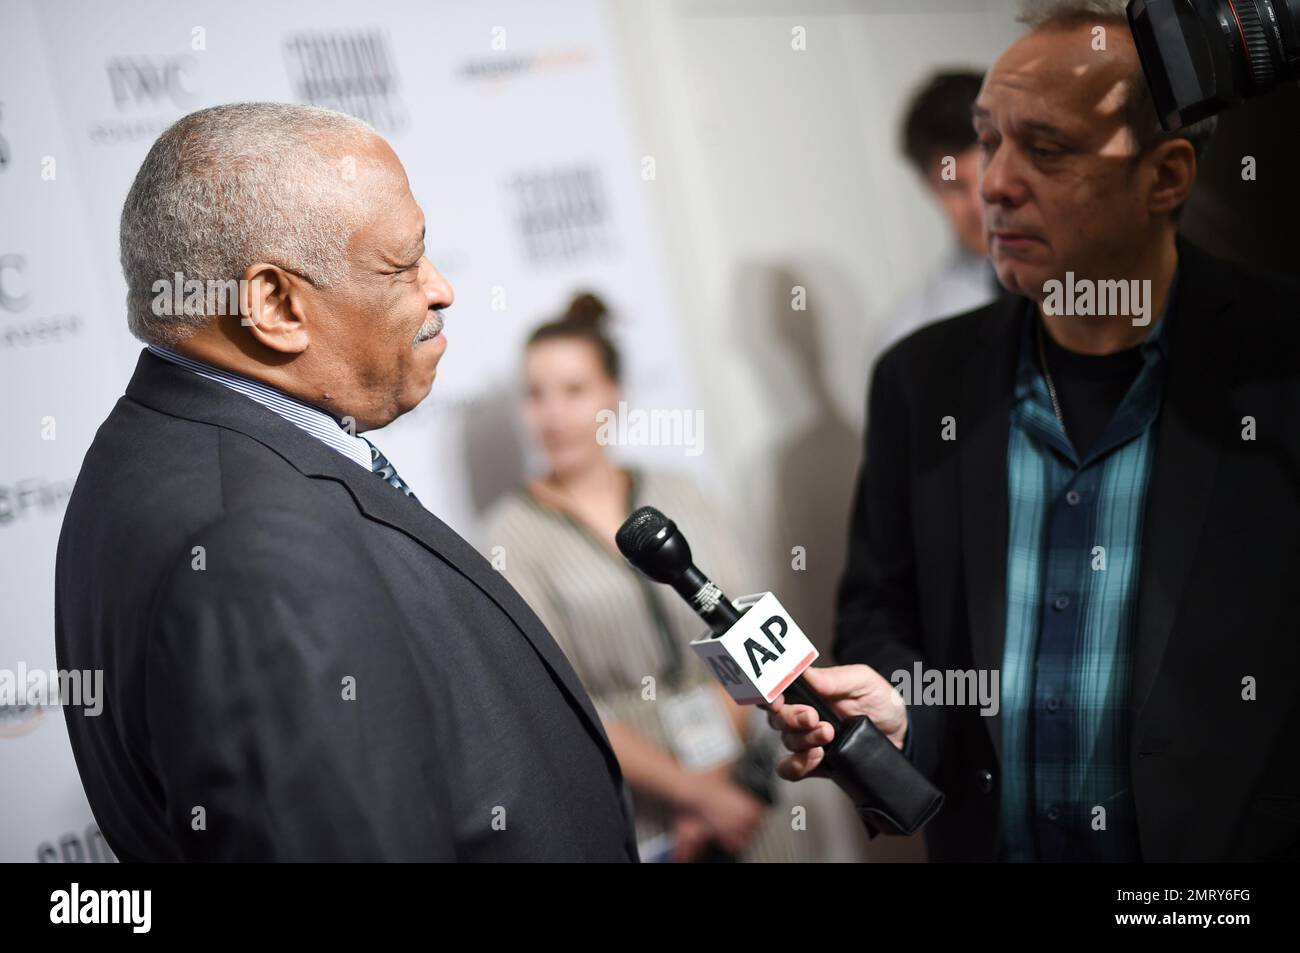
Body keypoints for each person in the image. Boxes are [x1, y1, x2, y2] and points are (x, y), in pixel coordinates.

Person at [768, 0, 1299, 862]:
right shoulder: (919, 379)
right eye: (988, 139)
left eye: (1045, 149)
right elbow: (883, 609)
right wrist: (903, 708)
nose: (994, 182)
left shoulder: (1275, 367)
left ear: (1165, 177)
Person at [54, 103, 637, 861]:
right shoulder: (252, 550)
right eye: (403, 264)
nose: (441, 288)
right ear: (274, 305)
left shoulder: (147, 447)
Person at [483, 293, 805, 862]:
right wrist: (693, 796)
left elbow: (748, 626)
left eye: (574, 391)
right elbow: (561, 699)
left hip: (741, 788)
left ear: (616, 394)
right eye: (535, 395)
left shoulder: (680, 493)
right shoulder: (509, 536)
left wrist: (722, 780)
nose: (553, 415)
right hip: (640, 806)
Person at [880, 69, 1000, 351]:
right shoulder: (907, 338)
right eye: (956, 187)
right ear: (927, 185)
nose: (978, 205)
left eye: (989, 174)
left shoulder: (1103, 281)